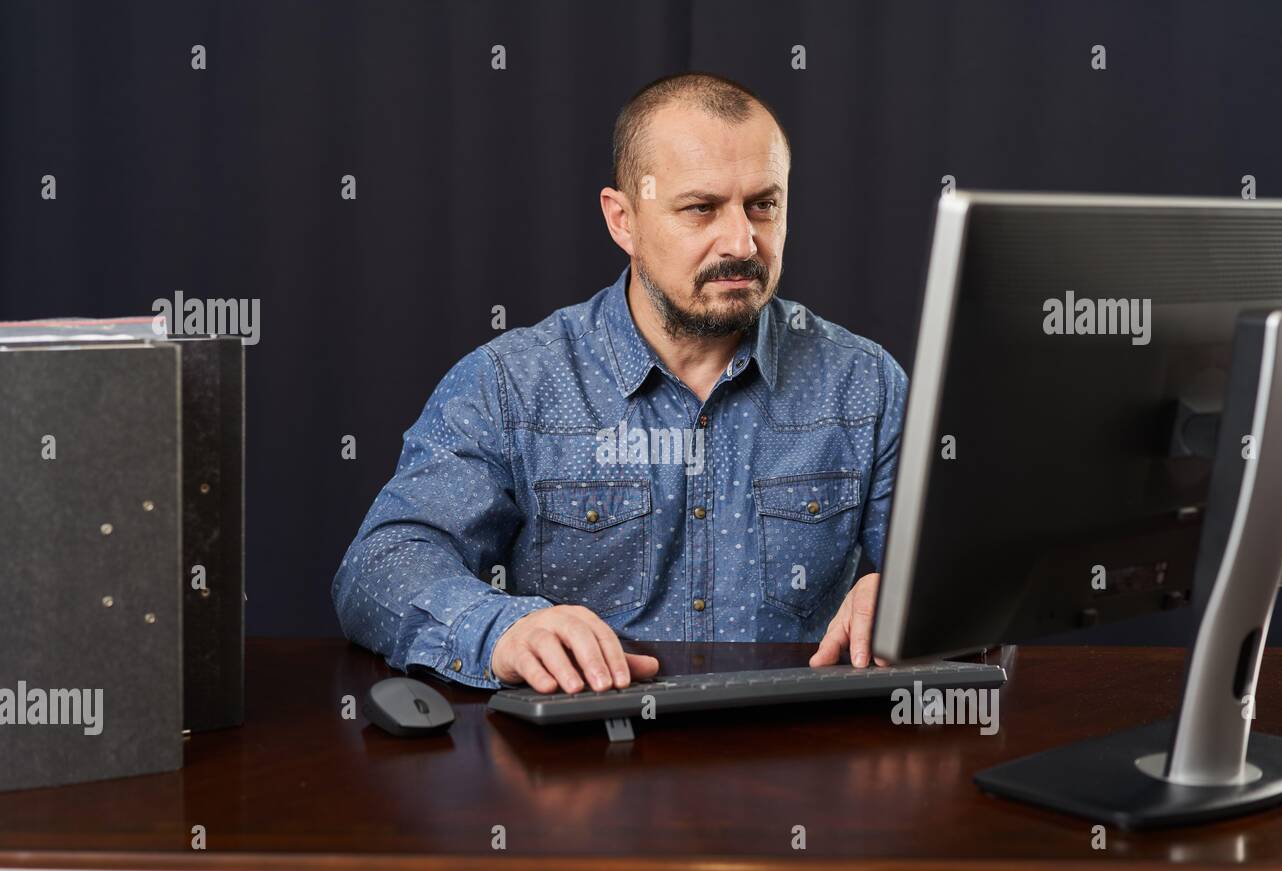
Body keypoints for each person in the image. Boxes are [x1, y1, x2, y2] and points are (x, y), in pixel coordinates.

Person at [332, 71, 908, 693]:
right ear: (623, 220)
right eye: (701, 208)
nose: (742, 241)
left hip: (797, 757)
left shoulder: (864, 383)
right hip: (587, 764)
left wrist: (910, 594)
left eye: (763, 205)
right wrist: (500, 630)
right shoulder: (511, 385)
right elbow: (378, 568)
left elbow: (963, 573)